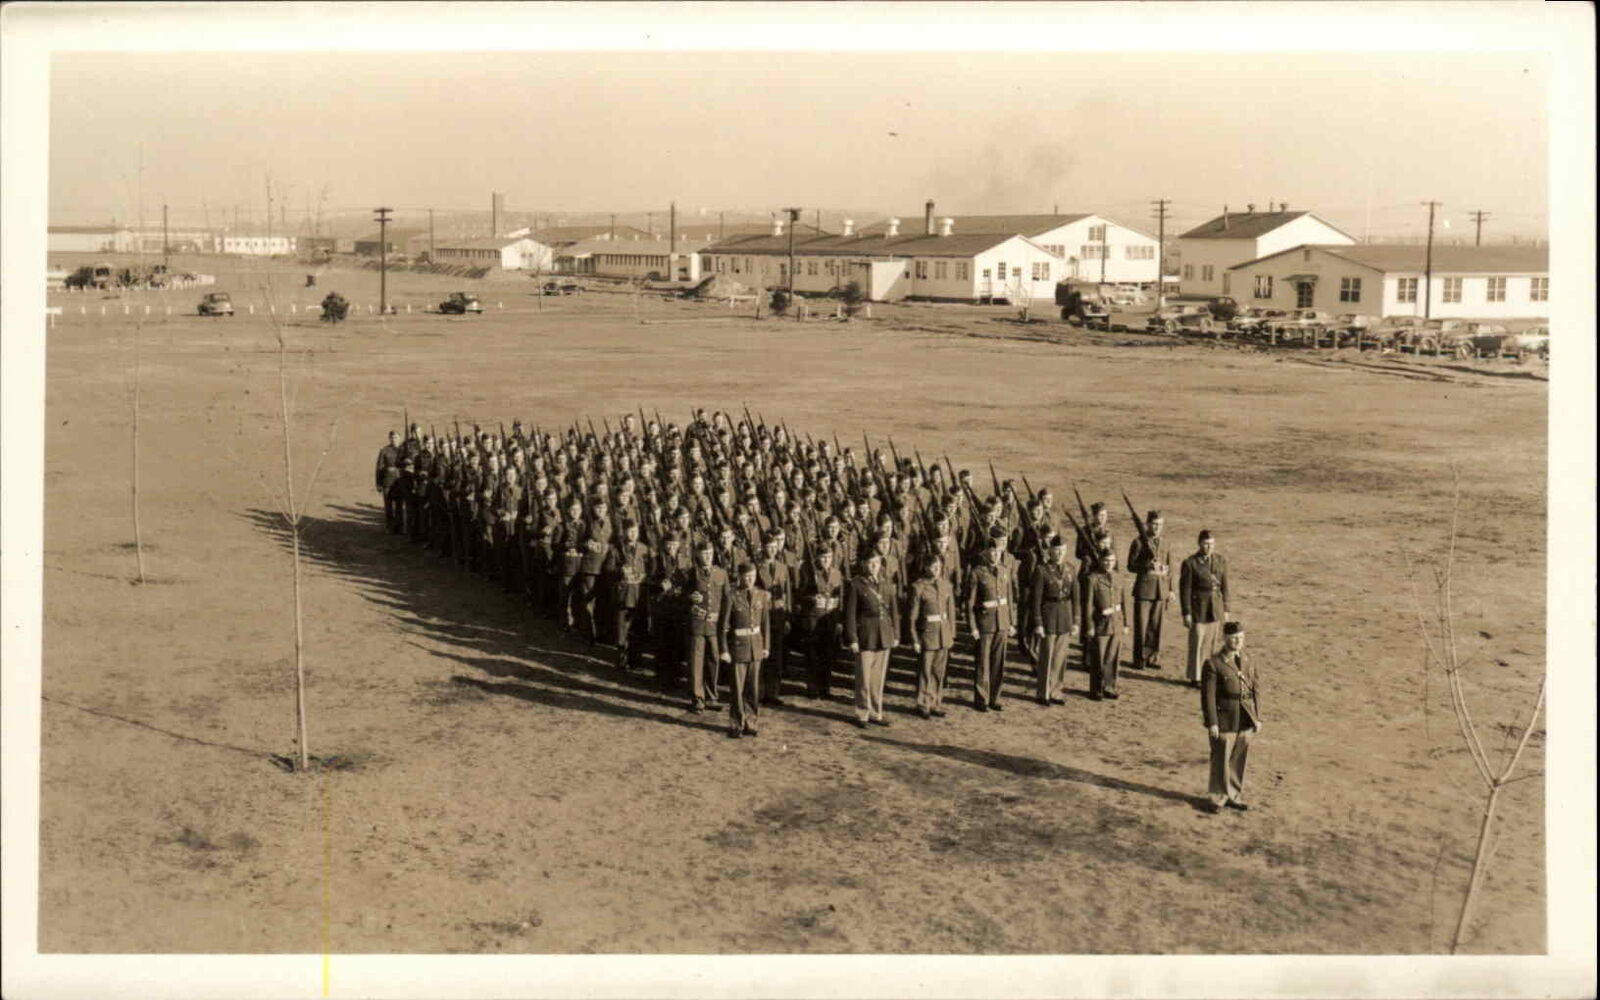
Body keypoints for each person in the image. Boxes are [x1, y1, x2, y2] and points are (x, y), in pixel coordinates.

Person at [1201, 621, 1260, 813]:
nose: (1238, 641)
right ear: (1225, 638)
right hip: (1225, 717)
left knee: (1239, 757)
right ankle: (1217, 797)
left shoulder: (1248, 659)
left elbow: (1255, 690)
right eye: (1234, 638)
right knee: (1221, 757)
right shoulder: (1213, 663)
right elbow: (1208, 697)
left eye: (1241, 638)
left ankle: (1234, 795)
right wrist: (1212, 722)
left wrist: (1257, 717)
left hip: (1245, 716)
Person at [845, 552, 897, 728]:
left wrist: (895, 634)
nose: (874, 566)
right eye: (870, 562)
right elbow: (850, 614)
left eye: (877, 562)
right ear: (864, 564)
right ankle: (862, 713)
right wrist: (852, 638)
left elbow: (894, 611)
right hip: (865, 635)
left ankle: (876, 712)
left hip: (884, 634)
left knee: (878, 678)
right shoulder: (856, 584)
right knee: (864, 678)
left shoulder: (886, 582)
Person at [719, 562, 771, 738]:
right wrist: (724, 650)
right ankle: (736, 723)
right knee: (737, 689)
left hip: (755, 648)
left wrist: (766, 646)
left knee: (753, 689)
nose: (749, 579)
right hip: (738, 648)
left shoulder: (761, 596)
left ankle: (751, 722)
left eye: (752, 576)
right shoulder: (731, 596)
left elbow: (765, 624)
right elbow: (723, 626)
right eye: (746, 576)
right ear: (740, 576)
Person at [964, 540, 1015, 712]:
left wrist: (1012, 622)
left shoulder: (1004, 571)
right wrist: (973, 627)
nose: (994, 555)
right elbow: (970, 604)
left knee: (998, 663)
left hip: (1002, 623)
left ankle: (995, 697)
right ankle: (981, 699)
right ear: (985, 554)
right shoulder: (977, 573)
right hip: (985, 624)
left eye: (997, 552)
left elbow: (1010, 599)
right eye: (991, 552)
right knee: (982, 663)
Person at [1029, 533, 1079, 705]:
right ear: (1050, 551)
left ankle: (1056, 691)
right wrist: (1038, 622)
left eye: (1062, 551)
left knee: (1060, 658)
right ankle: (1043, 693)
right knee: (1047, 657)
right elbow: (1035, 600)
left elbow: (1076, 598)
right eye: (1056, 550)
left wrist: (1076, 621)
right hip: (1048, 616)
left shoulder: (1071, 569)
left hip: (1065, 616)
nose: (1059, 554)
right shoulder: (1041, 570)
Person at [907, 553, 957, 718]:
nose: (937, 570)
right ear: (926, 567)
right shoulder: (918, 587)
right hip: (927, 634)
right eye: (933, 567)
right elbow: (912, 617)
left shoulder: (946, 586)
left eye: (939, 567)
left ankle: (935, 703)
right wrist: (915, 639)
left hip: (943, 634)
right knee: (925, 672)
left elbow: (951, 613)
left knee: (938, 672)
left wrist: (951, 635)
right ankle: (922, 704)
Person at [1180, 529, 1231, 688]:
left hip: (1215, 607)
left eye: (1211, 544)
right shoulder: (1190, 563)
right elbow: (1185, 589)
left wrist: (1226, 609)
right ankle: (1196, 677)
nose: (1208, 547)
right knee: (1197, 642)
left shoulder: (1220, 561)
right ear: (1199, 543)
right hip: (1198, 607)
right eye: (1205, 544)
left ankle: (1209, 675)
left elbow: (1225, 587)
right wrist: (1186, 612)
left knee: (1212, 643)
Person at [684, 539, 730, 712]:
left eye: (710, 553)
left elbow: (727, 600)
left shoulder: (721, 573)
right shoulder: (691, 573)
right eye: (704, 554)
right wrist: (690, 598)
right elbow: (682, 595)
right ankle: (697, 698)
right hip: (696, 623)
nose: (708, 557)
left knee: (713, 659)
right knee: (696, 662)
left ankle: (711, 696)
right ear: (697, 555)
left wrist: (724, 624)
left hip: (714, 624)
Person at [1126, 510, 1174, 670]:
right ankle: (1139, 659)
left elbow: (1170, 567)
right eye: (1154, 524)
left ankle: (1152, 657)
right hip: (1144, 589)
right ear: (1147, 524)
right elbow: (1130, 566)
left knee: (1156, 626)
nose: (1157, 527)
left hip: (1161, 588)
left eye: (1160, 524)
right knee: (1142, 626)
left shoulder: (1165, 543)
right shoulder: (1138, 542)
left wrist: (1171, 589)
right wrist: (1147, 565)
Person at [797, 546, 844, 700]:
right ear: (817, 558)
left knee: (828, 654)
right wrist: (812, 598)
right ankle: (812, 687)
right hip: (813, 617)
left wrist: (839, 619)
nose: (826, 560)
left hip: (830, 618)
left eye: (829, 557)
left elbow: (840, 597)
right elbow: (800, 594)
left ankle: (825, 687)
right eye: (823, 557)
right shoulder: (809, 572)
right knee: (812, 654)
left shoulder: (837, 573)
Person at [1084, 547, 1129, 701]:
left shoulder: (1119, 577)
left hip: (1116, 623)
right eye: (1106, 561)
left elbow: (1124, 602)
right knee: (1099, 658)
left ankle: (1109, 686)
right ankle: (1096, 689)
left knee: (1113, 658)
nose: (1109, 564)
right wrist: (1089, 626)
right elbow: (1088, 605)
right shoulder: (1093, 579)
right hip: (1101, 623)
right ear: (1100, 561)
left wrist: (1126, 624)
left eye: (1112, 561)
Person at [755, 531, 793, 706]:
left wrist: (787, 617)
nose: (771, 550)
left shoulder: (782, 567)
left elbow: (788, 593)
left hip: (778, 615)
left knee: (776, 655)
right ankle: (759, 691)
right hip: (762, 616)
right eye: (768, 547)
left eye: (774, 547)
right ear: (763, 548)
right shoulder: (756, 567)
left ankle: (773, 692)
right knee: (762, 654)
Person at [607, 520, 651, 671]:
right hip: (623, 594)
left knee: (638, 628)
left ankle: (636, 660)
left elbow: (651, 570)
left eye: (635, 531)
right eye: (629, 531)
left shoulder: (644, 549)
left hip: (639, 594)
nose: (632, 534)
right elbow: (608, 570)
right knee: (622, 629)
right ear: (624, 532)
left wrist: (644, 576)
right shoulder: (615, 550)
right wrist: (620, 571)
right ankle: (622, 659)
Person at [376, 431, 403, 531]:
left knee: (399, 505)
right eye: (392, 438)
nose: (394, 440)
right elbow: (379, 468)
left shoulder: (403, 450)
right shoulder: (384, 451)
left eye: (396, 437)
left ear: (400, 438)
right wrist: (378, 484)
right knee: (388, 505)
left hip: (400, 481)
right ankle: (390, 527)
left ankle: (400, 527)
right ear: (389, 438)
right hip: (387, 481)